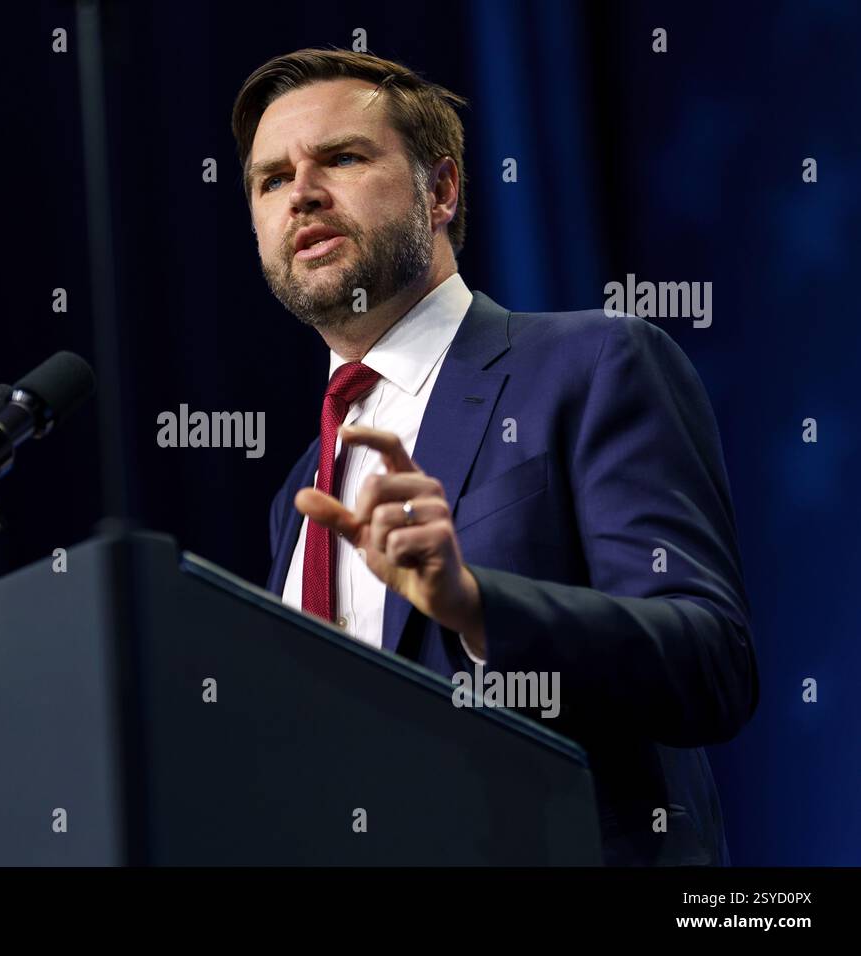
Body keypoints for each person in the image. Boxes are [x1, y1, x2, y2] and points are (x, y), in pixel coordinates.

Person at [233, 48, 758, 866]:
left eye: (343, 158)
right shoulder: (298, 493)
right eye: (272, 180)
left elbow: (710, 663)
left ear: (440, 191)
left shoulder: (594, 364)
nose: (301, 193)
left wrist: (478, 607)